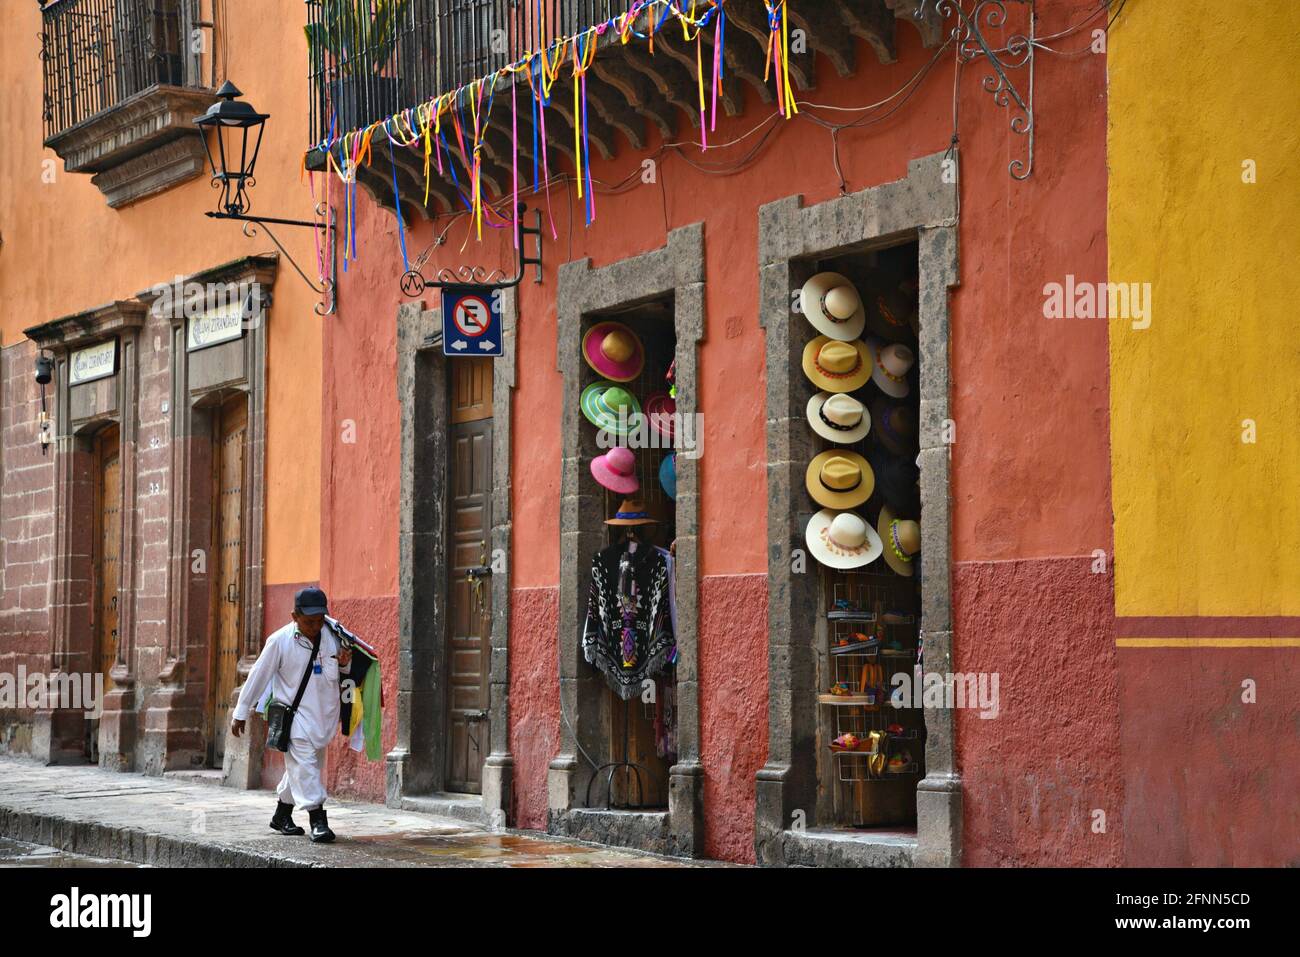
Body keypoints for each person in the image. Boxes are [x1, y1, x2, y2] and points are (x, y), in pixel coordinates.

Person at [230, 587, 351, 843]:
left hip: (322, 718)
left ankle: (281, 815)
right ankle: (317, 819)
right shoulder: (279, 641)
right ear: (294, 616)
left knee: (303, 768)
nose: (314, 626)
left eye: (319, 620)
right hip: (294, 718)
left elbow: (344, 671)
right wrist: (241, 711)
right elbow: (258, 676)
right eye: (308, 622)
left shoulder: (332, 637)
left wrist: (344, 663)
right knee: (305, 767)